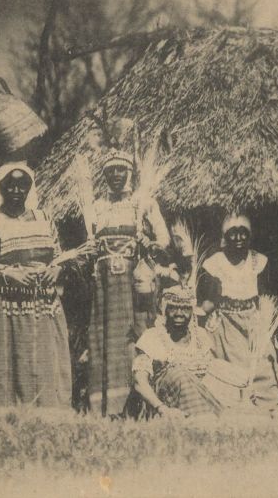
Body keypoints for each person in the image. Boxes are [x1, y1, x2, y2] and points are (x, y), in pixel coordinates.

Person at [0, 162, 71, 407]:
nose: (16, 190)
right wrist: (6, 274)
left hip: (43, 305)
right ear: (0, 189)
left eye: (22, 185)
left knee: (43, 358)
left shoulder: (44, 218)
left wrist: (57, 269)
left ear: (29, 188)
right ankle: (7, 413)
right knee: (9, 361)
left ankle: (47, 411)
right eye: (10, 185)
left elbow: (59, 257)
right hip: (6, 306)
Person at [87, 148, 170, 415]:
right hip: (103, 284)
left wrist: (150, 242)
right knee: (104, 336)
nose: (116, 176)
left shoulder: (143, 203)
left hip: (133, 282)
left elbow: (165, 239)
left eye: (121, 170)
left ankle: (136, 404)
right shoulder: (97, 207)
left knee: (133, 334)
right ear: (105, 175)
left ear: (130, 172)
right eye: (111, 171)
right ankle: (105, 406)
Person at [198, 214, 278, 412]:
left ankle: (267, 406)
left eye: (243, 233)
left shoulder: (258, 261)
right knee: (227, 368)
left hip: (253, 323)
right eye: (233, 234)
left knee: (262, 360)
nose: (239, 238)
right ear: (225, 236)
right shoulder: (216, 263)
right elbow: (209, 300)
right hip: (225, 324)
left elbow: (266, 296)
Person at [131, 286, 248, 419]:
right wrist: (162, 409)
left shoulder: (201, 337)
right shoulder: (152, 337)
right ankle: (203, 417)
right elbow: (139, 382)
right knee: (178, 372)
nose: (179, 313)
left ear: (192, 311)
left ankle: (210, 415)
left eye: (185, 308)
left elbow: (210, 374)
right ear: (164, 310)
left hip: (197, 399)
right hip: (162, 407)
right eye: (173, 308)